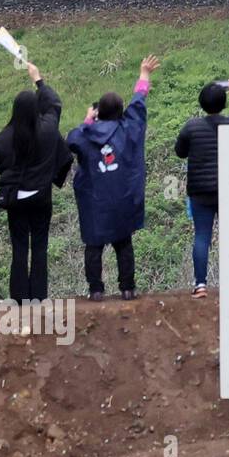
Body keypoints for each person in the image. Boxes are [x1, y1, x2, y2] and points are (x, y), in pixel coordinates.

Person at [67, 55, 160, 301]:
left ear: (98, 113)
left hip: (94, 201)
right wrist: (144, 73)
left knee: (94, 245)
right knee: (123, 242)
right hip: (122, 198)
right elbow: (138, 103)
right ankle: (127, 288)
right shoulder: (129, 129)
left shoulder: (85, 135)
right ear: (120, 112)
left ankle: (96, 290)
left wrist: (88, 120)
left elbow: (71, 139)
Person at [0, 61, 72, 301]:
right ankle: (38, 297)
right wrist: (38, 80)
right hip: (41, 197)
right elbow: (55, 104)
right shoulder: (47, 130)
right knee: (39, 247)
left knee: (19, 248)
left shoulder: (6, 137)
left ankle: (18, 299)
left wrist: (11, 174)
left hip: (16, 198)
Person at [174, 80, 229, 298]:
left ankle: (200, 285)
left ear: (201, 103)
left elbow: (180, 152)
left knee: (202, 237)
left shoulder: (191, 126)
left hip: (200, 191)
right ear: (224, 103)